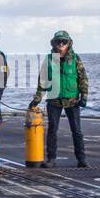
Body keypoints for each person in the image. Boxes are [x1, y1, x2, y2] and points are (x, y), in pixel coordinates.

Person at [29, 29, 89, 168]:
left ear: (69, 44)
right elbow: (42, 82)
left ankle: (82, 159)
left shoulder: (75, 59)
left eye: (64, 42)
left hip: (72, 100)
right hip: (54, 100)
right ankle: (51, 159)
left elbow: (83, 78)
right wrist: (37, 99)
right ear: (54, 43)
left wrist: (84, 96)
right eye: (58, 42)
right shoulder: (49, 60)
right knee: (52, 129)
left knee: (77, 130)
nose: (61, 44)